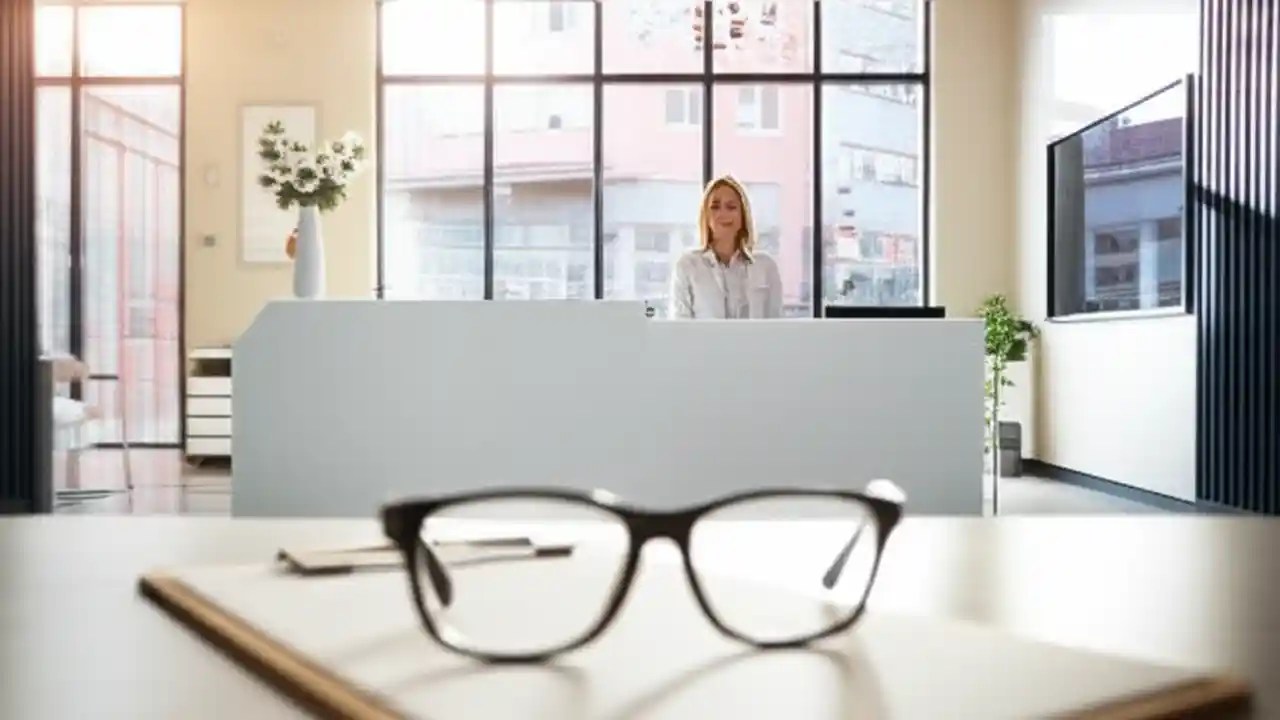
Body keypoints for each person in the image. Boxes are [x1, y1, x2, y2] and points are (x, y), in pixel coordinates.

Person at [668, 175, 783, 319]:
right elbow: (679, 330)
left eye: (731, 207)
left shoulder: (766, 267)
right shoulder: (687, 266)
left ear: (743, 216)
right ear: (706, 216)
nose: (723, 214)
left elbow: (777, 327)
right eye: (715, 207)